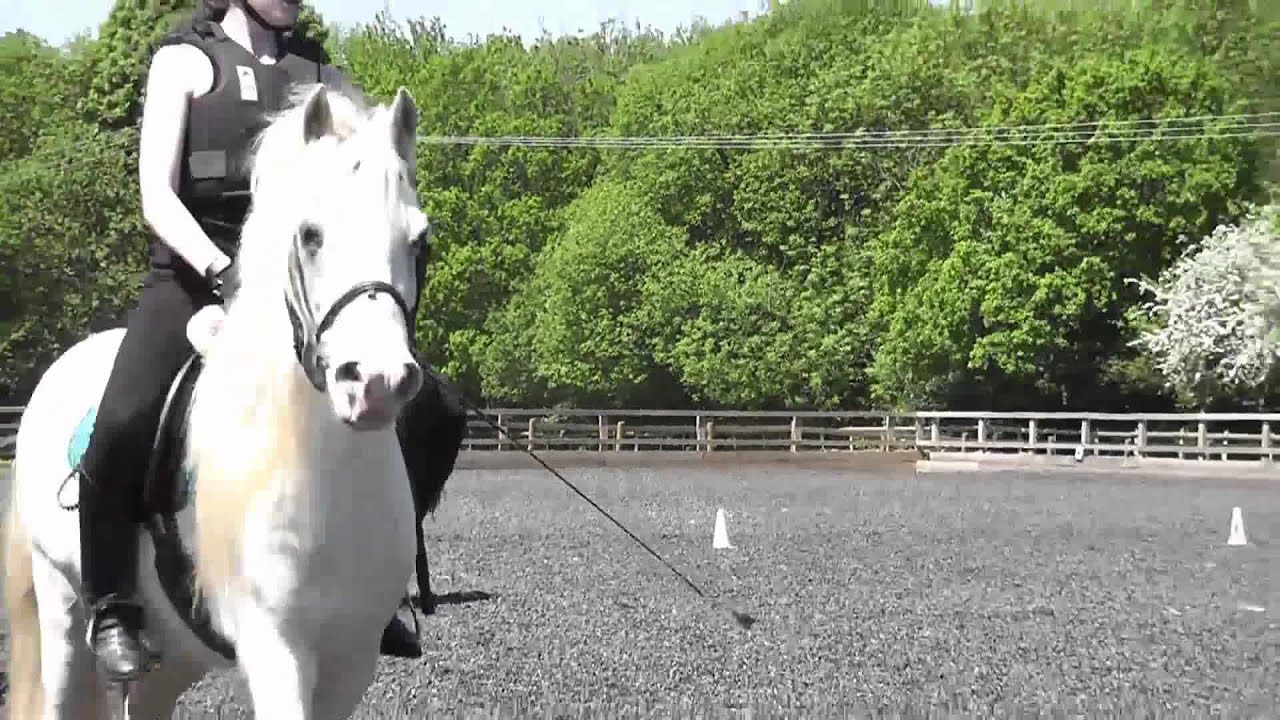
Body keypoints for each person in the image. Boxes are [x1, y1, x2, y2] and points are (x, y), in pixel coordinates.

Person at [75, 0, 467, 683]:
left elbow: (361, 193)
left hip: (303, 289)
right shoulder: (184, 64)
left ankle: (378, 588)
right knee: (123, 420)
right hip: (196, 276)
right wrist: (223, 271)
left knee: (434, 410)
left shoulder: (325, 75)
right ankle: (114, 604)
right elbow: (155, 197)